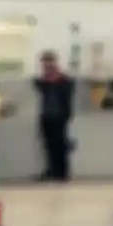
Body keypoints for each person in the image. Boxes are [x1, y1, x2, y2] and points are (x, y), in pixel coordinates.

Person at [33, 51, 73, 181]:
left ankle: (61, 172)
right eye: (45, 62)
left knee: (59, 145)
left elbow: (67, 97)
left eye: (49, 62)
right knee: (48, 145)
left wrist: (67, 115)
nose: (47, 65)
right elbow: (38, 85)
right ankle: (52, 171)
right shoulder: (43, 81)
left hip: (59, 117)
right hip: (46, 116)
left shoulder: (63, 81)